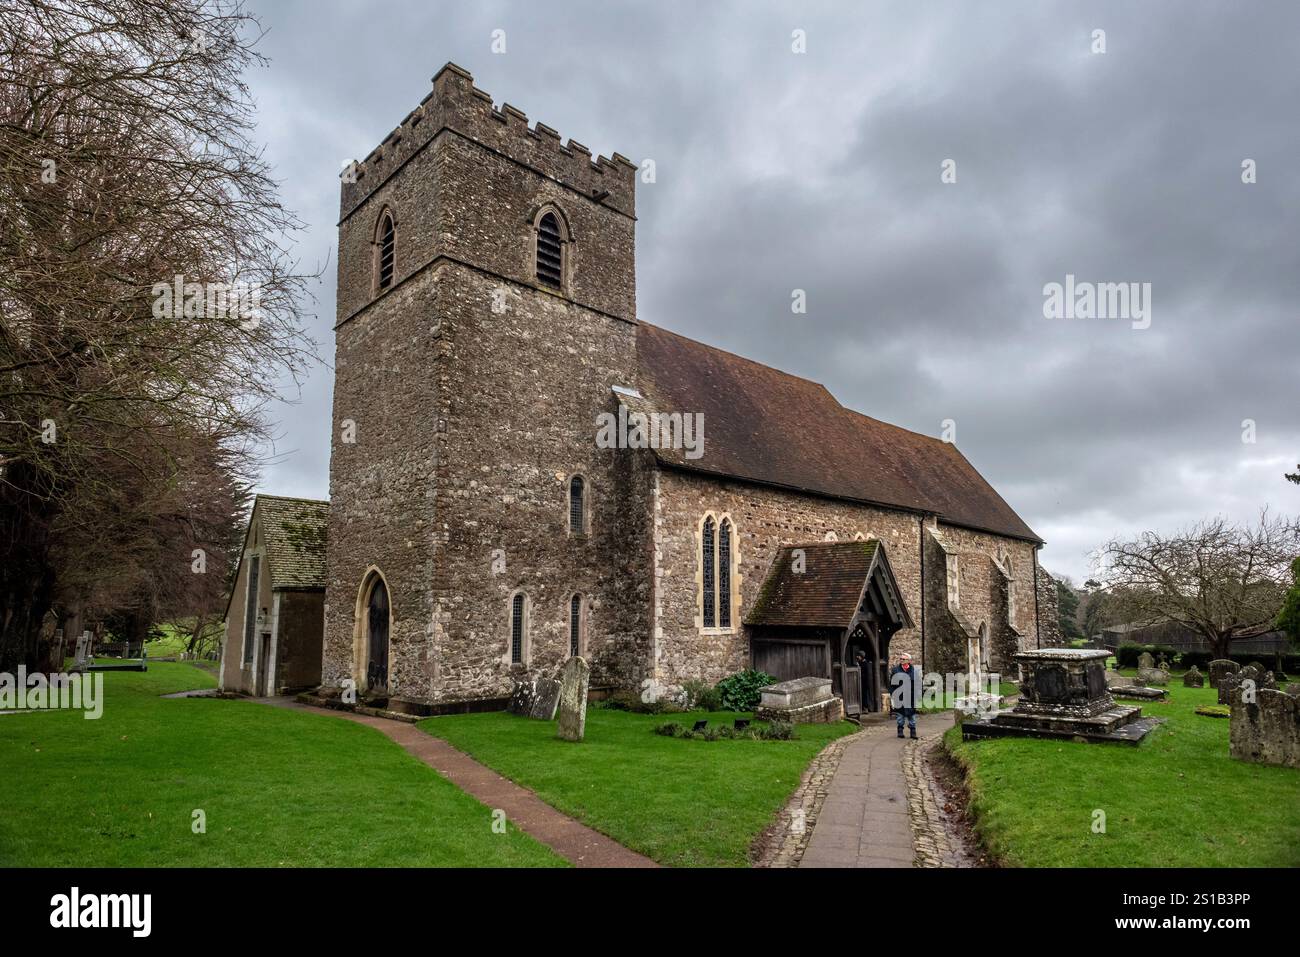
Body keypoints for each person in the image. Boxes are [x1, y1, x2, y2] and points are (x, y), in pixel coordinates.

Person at [890, 652, 920, 739]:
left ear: (908, 661)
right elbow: (892, 684)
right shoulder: (895, 670)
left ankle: (913, 731)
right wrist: (893, 694)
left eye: (903, 659)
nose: (901, 660)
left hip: (911, 696)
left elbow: (918, 684)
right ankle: (900, 730)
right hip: (900, 696)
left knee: (912, 715)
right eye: (901, 659)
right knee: (900, 715)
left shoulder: (914, 671)